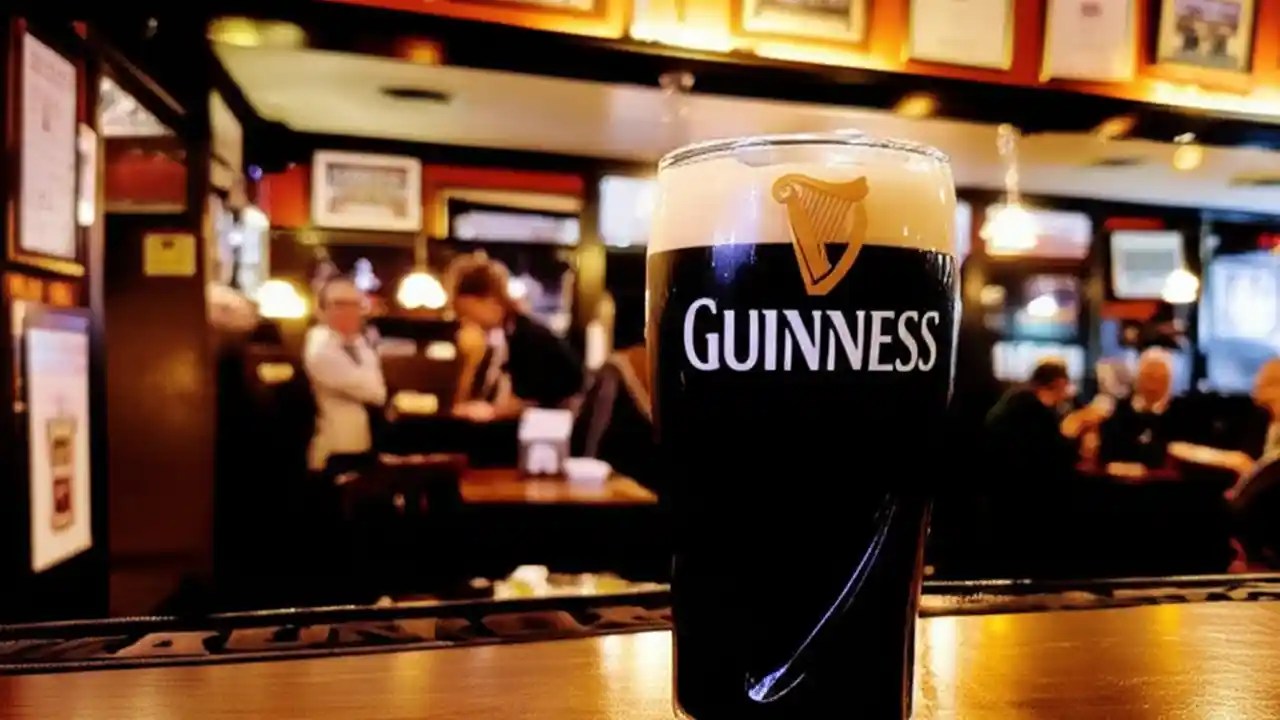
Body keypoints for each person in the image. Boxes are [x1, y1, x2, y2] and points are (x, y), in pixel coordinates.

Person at [447, 254, 584, 421]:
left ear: (490, 300)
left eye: (468, 313)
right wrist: (471, 360)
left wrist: (492, 412)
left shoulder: (530, 339)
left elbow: (537, 401)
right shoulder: (500, 339)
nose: (466, 322)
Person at [303, 277, 387, 474]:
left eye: (355, 305)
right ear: (322, 311)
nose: (349, 312)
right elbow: (376, 393)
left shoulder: (358, 343)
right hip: (332, 454)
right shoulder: (320, 348)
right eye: (339, 305)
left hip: (360, 449)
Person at [985, 358, 1106, 486]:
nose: (1067, 393)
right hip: (1019, 485)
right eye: (1066, 385)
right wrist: (1072, 430)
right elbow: (1053, 456)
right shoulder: (1032, 411)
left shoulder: (1015, 400)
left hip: (995, 482)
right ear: (1059, 383)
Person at [1098, 347, 1189, 469]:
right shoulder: (1120, 411)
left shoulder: (1179, 414)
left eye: (1161, 377)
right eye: (1149, 376)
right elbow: (1108, 453)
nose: (1154, 384)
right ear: (1138, 378)